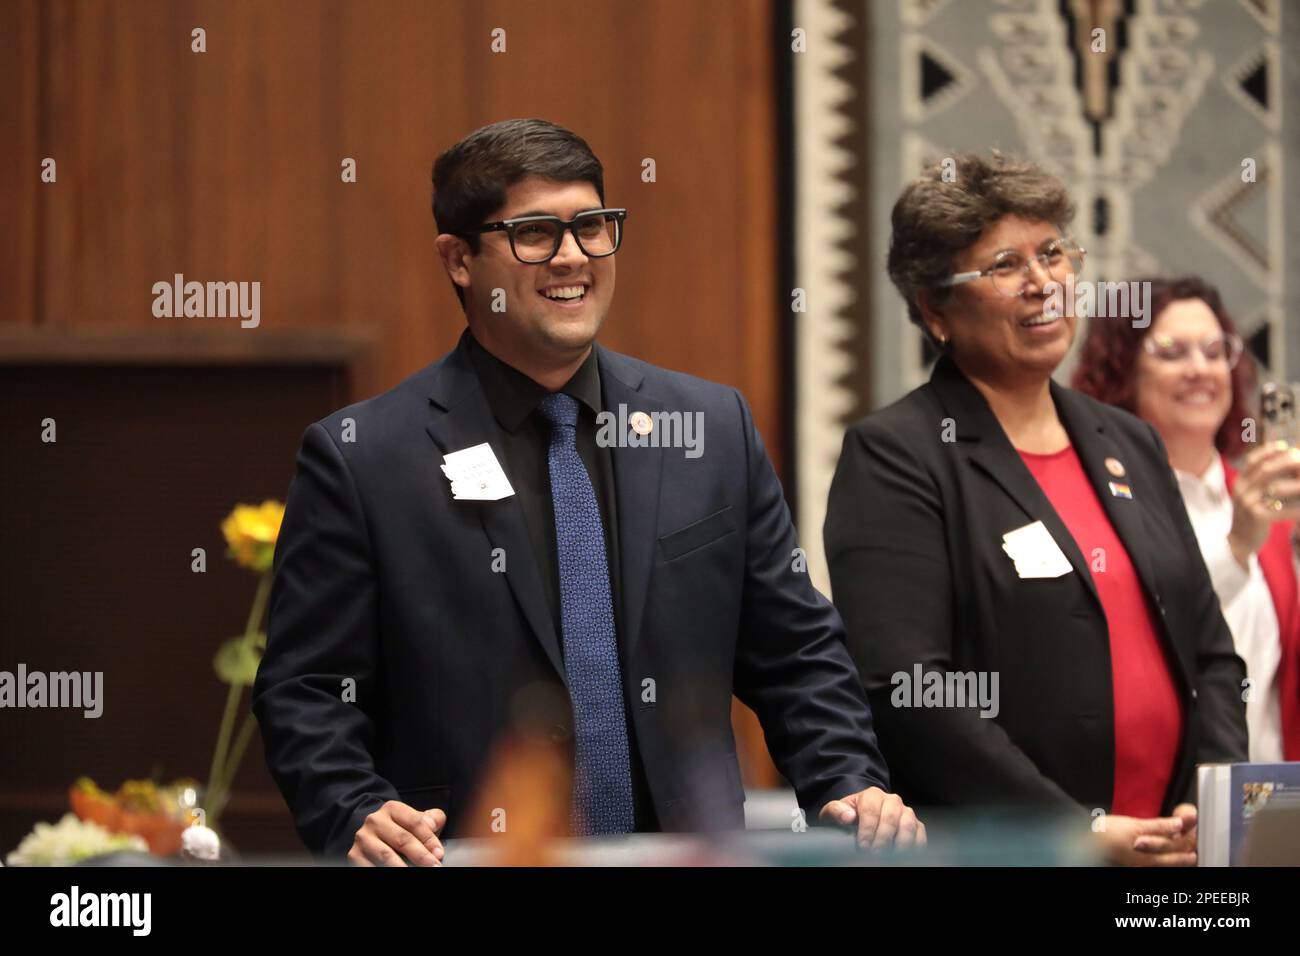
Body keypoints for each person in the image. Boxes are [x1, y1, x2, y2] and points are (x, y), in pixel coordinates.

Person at [253, 118, 919, 865]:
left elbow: (796, 653)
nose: (572, 256)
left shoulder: (709, 429)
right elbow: (307, 690)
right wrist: (356, 810)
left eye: (593, 226)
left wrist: (847, 782)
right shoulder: (363, 459)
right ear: (458, 259)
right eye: (535, 232)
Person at [824, 152, 1247, 866]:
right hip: (1011, 852)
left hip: (1171, 853)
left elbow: (1209, 653)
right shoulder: (899, 455)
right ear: (936, 311)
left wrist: (1211, 802)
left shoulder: (1129, 441)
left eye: (1053, 253)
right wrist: (1071, 831)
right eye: (1004, 267)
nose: (1043, 283)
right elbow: (911, 688)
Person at [1073, 275, 1300, 763]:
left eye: (1216, 351)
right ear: (1122, 373)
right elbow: (1131, 641)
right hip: (1156, 805)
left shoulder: (1264, 503)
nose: (1201, 369)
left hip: (1269, 803)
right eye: (1172, 353)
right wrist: (1237, 545)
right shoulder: (1094, 503)